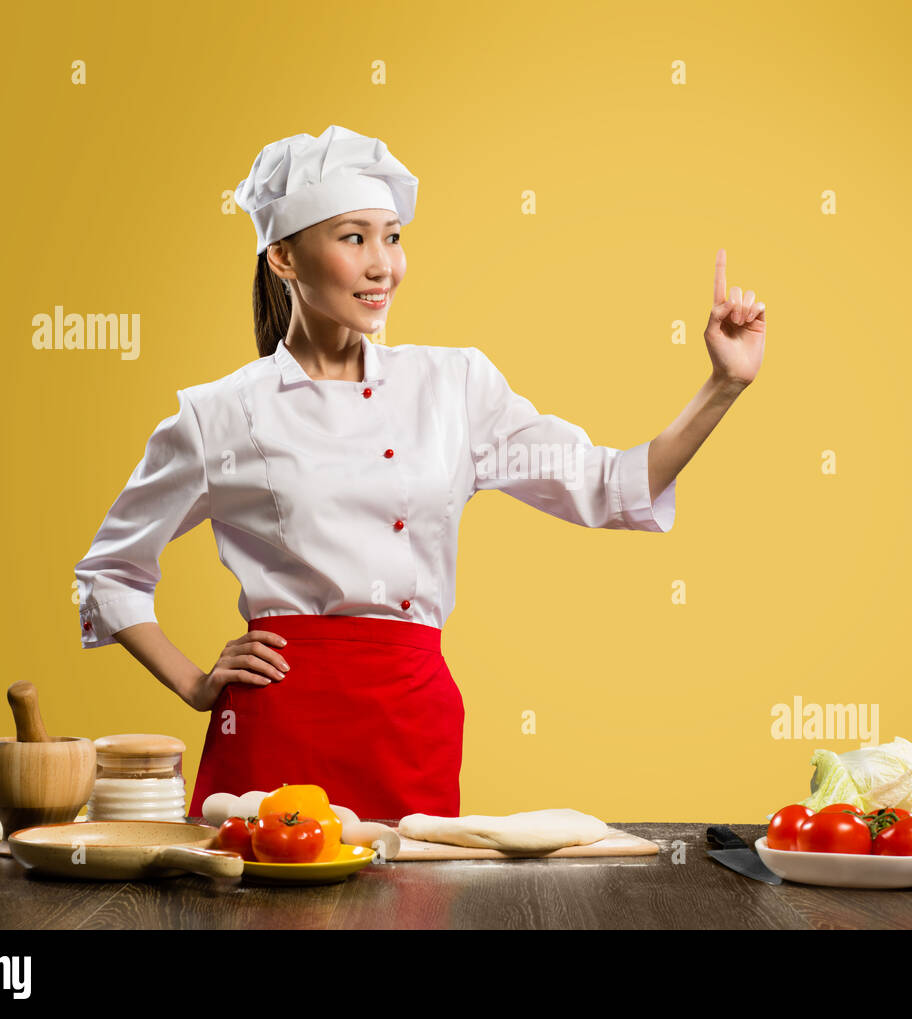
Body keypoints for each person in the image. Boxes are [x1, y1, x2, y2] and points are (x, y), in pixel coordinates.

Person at [74, 126, 767, 821]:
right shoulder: (220, 414)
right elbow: (110, 572)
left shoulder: (455, 386)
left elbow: (611, 485)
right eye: (354, 238)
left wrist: (722, 386)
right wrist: (196, 684)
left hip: (412, 723)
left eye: (393, 237)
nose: (383, 266)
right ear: (283, 256)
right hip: (277, 728)